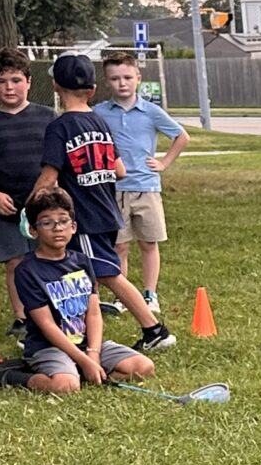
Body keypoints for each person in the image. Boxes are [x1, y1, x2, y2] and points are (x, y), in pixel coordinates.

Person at [32, 53, 175, 354]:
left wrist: (30, 208)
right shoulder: (99, 122)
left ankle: (154, 330)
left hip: (85, 218)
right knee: (80, 277)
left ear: (55, 86)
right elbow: (119, 170)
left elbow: (49, 177)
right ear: (93, 89)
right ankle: (74, 333)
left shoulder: (60, 127)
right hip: (107, 211)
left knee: (108, 273)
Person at [12, 188, 156, 393]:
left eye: (63, 221)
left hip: (85, 343)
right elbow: (47, 325)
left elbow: (94, 313)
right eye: (47, 222)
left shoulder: (82, 261)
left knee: (143, 367)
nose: (57, 228)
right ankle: (13, 376)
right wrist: (85, 361)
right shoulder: (28, 271)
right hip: (49, 346)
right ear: (34, 230)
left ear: (73, 227)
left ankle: (79, 372)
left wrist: (93, 354)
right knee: (66, 386)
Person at [0, 50, 54, 332]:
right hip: (4, 207)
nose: (9, 87)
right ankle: (22, 317)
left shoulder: (48, 117)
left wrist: (46, 192)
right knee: (15, 262)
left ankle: (51, 313)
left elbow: (56, 161)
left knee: (47, 258)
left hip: (43, 204)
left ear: (28, 82)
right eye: (1, 81)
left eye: (16, 80)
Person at [94, 49, 188, 315]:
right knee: (119, 245)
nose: (122, 83)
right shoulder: (99, 113)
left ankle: (150, 294)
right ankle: (122, 296)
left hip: (146, 187)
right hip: (113, 188)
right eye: (115, 79)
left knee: (148, 242)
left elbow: (181, 136)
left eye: (127, 77)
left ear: (138, 78)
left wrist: (163, 163)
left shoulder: (151, 112)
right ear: (107, 82)